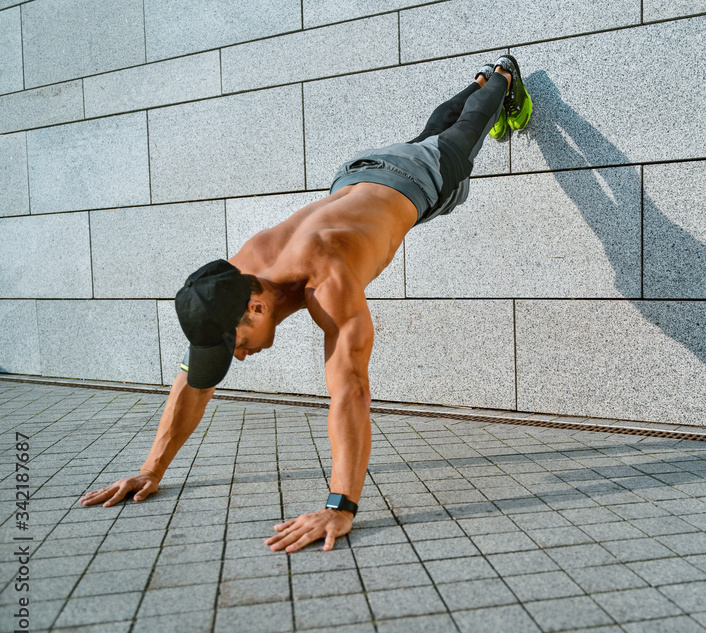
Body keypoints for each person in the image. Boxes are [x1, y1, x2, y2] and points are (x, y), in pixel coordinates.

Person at [78, 56, 533, 553]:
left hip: (412, 181)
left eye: (236, 345)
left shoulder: (326, 278)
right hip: (358, 173)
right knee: (432, 133)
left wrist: (341, 506)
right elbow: (193, 380)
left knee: (462, 135)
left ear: (254, 309)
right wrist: (151, 469)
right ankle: (481, 80)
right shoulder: (233, 276)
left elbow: (351, 390)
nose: (239, 356)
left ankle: (503, 78)